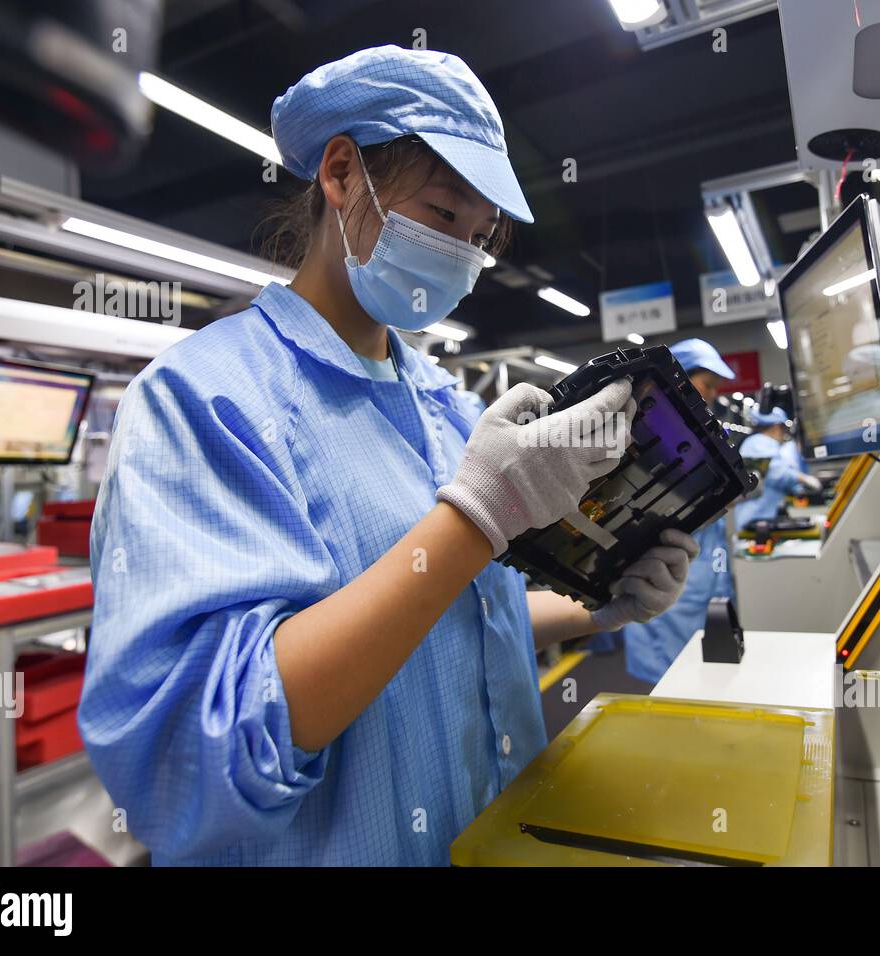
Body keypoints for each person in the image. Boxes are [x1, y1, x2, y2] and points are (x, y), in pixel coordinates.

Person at [78, 45, 699, 866]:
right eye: (443, 216)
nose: (461, 253)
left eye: (478, 237)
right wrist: (478, 517)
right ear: (341, 174)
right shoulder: (204, 399)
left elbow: (458, 616)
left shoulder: (445, 406)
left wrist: (601, 605)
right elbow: (198, 755)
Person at [619, 338, 737, 684]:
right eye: (707, 384)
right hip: (666, 568)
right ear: (678, 378)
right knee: (669, 675)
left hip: (699, 568)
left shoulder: (701, 431)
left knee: (695, 665)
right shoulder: (645, 431)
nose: (713, 394)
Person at [734, 404, 820, 529]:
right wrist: (803, 479)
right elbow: (776, 473)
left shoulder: (768, 444)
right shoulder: (758, 443)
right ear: (776, 427)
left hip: (765, 513)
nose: (783, 433)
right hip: (755, 515)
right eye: (783, 428)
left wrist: (799, 488)